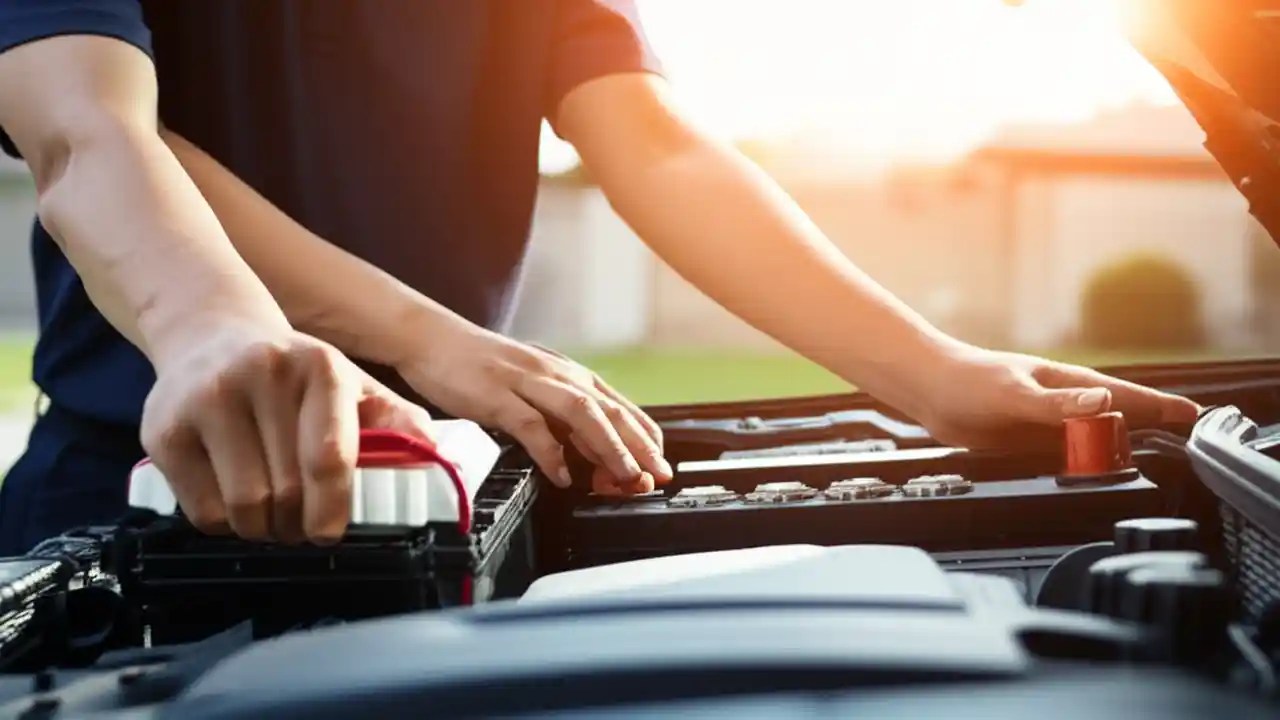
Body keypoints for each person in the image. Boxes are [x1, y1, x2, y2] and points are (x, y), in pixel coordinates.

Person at [0, 1, 1198, 554]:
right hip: (131, 501)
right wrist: (219, 328)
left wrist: (930, 372)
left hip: (450, 505)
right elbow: (93, 130)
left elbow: (654, 143)